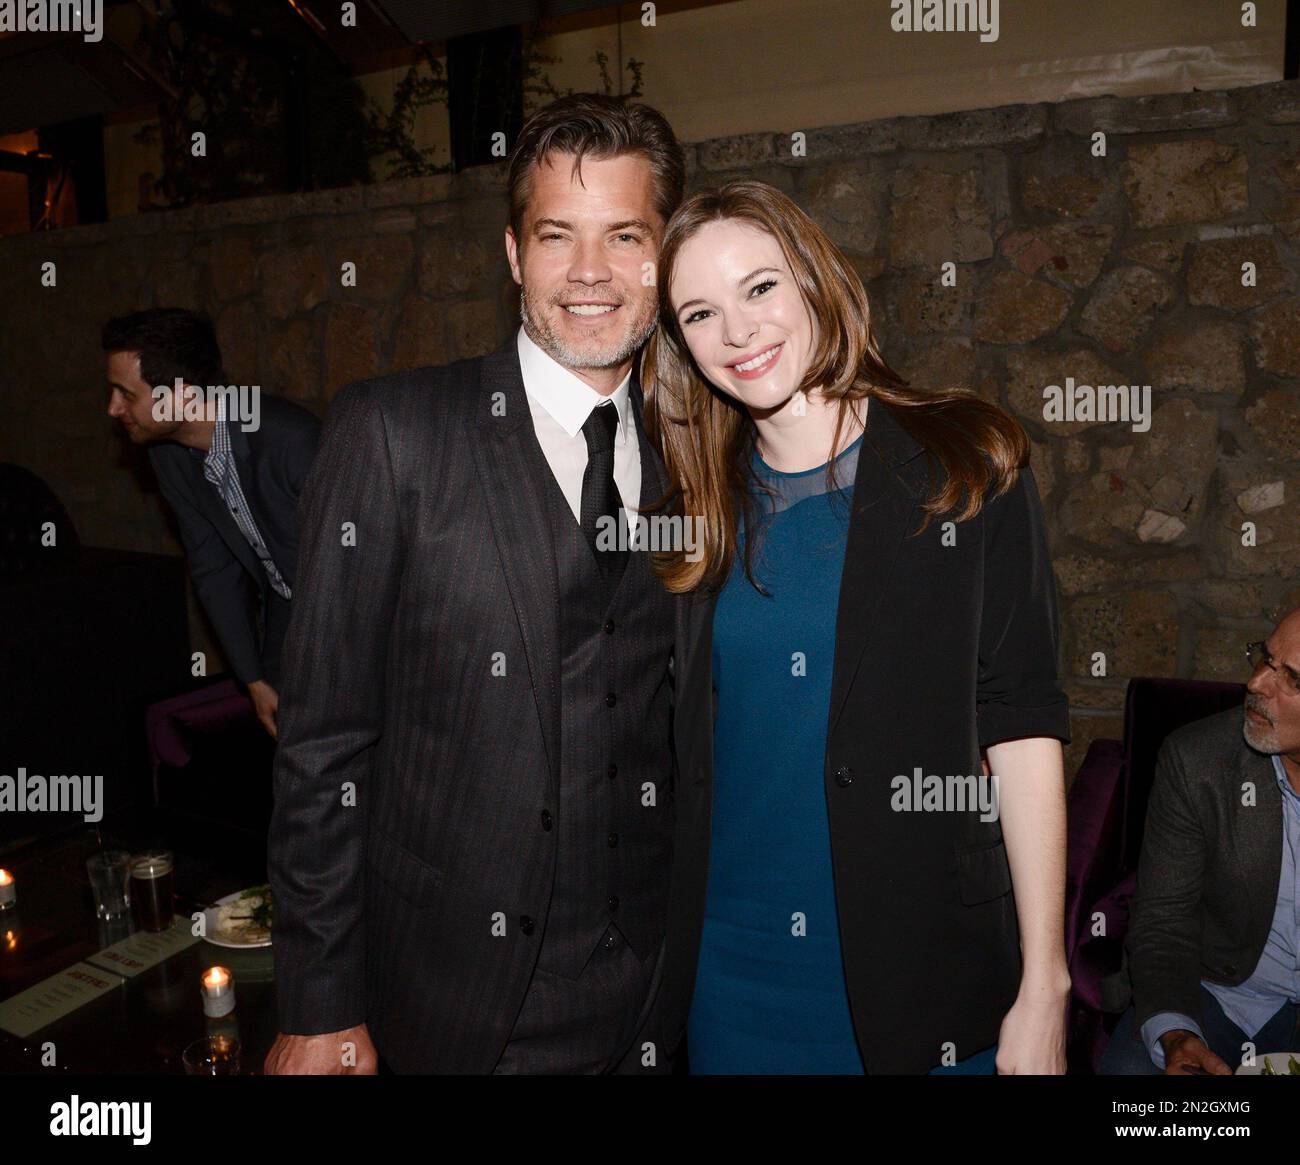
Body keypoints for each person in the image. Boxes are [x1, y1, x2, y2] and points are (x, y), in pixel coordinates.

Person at [263, 93, 688, 1075]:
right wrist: (320, 1003)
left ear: (664, 254)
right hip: (455, 1002)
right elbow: (322, 741)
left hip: (655, 997)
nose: (590, 272)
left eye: (624, 235)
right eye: (556, 237)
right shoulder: (390, 434)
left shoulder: (694, 451)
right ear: (511, 255)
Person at [642, 180, 1073, 1074]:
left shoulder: (966, 458)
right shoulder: (690, 515)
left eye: (760, 287)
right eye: (699, 313)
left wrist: (1046, 983)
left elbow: (1021, 722)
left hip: (930, 968)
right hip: (734, 968)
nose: (738, 332)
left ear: (813, 279)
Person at [1098, 609, 1300, 1075]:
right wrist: (1178, 1035)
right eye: (1265, 658)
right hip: (1224, 994)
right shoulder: (1199, 761)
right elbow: (1163, 921)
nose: (1256, 684)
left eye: (1291, 678)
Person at [104, 308, 319, 738]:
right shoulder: (167, 454)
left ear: (181, 396)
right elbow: (213, 567)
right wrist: (254, 678)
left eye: (126, 394)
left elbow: (365, 568)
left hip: (360, 622)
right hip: (286, 620)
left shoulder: (291, 440)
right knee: (295, 778)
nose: (112, 408)